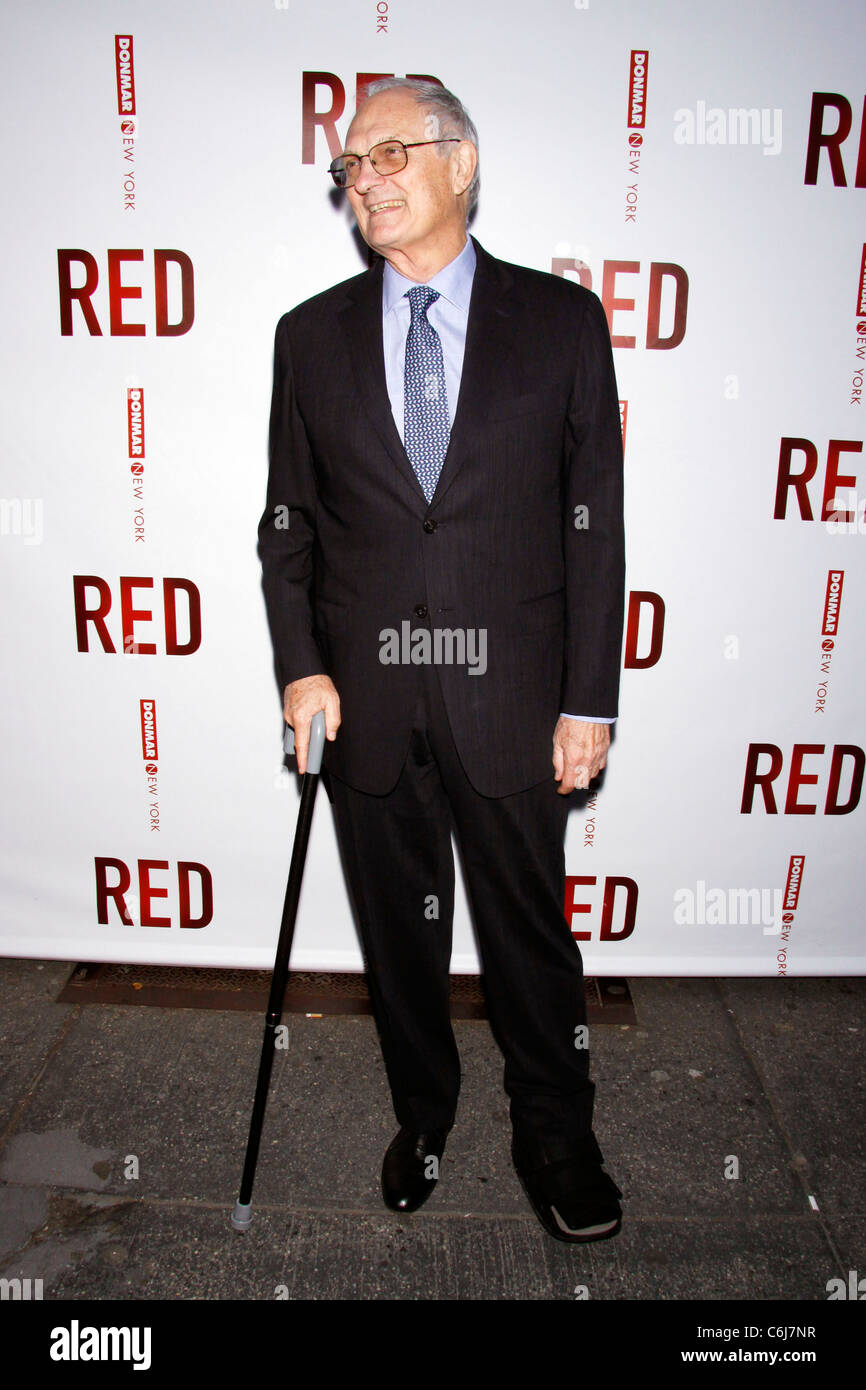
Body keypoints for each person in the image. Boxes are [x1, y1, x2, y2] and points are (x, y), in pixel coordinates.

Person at [258, 77, 625, 1243]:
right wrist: (301, 665)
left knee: (526, 933)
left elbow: (593, 520)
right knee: (398, 936)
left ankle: (555, 1135)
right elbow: (288, 525)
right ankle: (422, 1115)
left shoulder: (559, 323)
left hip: (511, 698)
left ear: (459, 162)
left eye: (386, 153)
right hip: (366, 702)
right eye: (348, 166)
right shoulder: (307, 336)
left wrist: (587, 695)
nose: (363, 177)